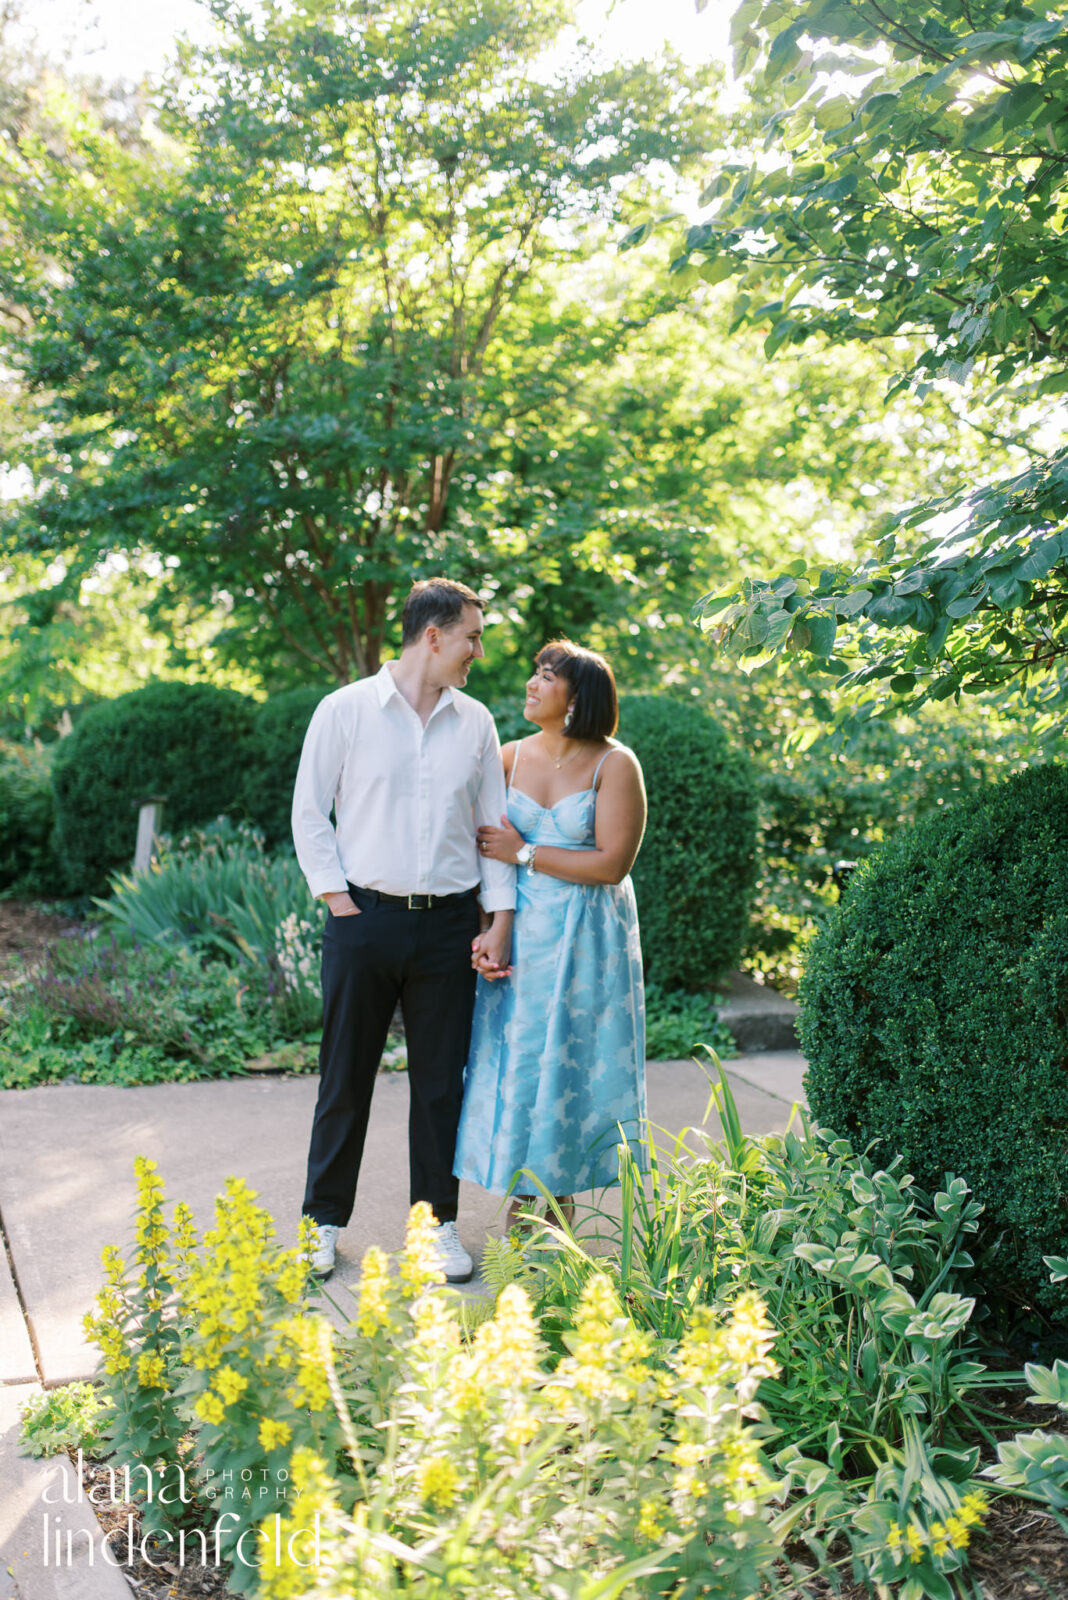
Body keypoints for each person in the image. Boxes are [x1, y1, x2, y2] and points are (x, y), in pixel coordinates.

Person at [291, 577, 515, 1281]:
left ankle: (436, 1227)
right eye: (473, 638)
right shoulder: (345, 709)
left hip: (449, 927)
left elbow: (492, 829)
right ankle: (321, 1223)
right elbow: (308, 811)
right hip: (364, 921)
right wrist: (337, 900)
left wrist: (498, 919)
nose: (478, 651)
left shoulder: (476, 722)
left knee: (441, 1087)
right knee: (344, 1080)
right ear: (434, 636)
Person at [453, 639, 647, 1228]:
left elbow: (612, 864)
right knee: (517, 1059)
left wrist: (526, 852)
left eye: (546, 676)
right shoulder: (508, 756)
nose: (532, 684)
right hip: (521, 931)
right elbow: (476, 848)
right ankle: (522, 1191)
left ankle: (558, 1197)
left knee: (571, 1060)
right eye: (536, 672)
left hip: (588, 937)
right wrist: (488, 927)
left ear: (577, 697)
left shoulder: (615, 765)